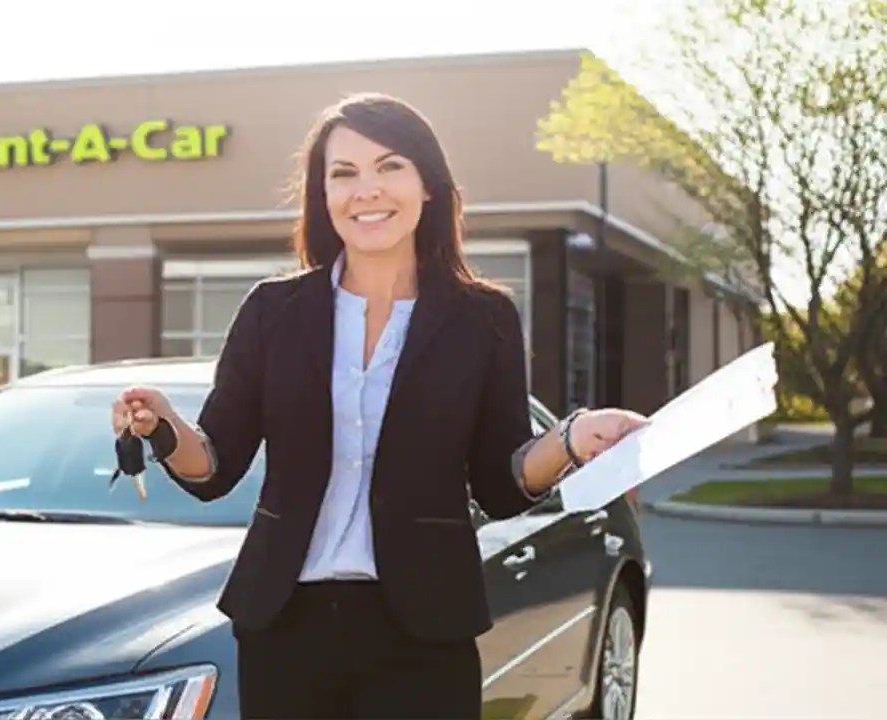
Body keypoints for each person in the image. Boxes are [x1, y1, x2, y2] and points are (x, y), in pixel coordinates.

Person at [110, 92, 648, 719]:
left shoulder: (484, 319)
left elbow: (501, 486)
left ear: (427, 186)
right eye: (344, 174)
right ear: (323, 196)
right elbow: (216, 466)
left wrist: (575, 435)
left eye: (390, 166)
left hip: (424, 630)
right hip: (285, 625)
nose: (367, 190)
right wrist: (167, 426)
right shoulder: (271, 312)